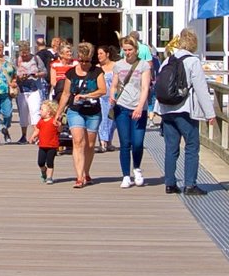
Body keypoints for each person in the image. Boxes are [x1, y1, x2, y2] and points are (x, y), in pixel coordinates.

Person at [152, 31, 214, 194]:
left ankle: (170, 183)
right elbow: (201, 89)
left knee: (171, 146)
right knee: (192, 146)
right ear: (194, 44)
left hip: (167, 110)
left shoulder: (167, 61)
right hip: (185, 109)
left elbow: (160, 85)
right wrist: (210, 113)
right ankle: (190, 184)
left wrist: (157, 109)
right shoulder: (193, 61)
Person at [55, 44, 105, 187]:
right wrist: (58, 113)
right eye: (82, 60)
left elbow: (102, 90)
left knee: (89, 145)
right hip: (75, 110)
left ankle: (86, 172)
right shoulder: (71, 73)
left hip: (93, 111)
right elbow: (66, 94)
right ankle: (79, 176)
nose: (84, 64)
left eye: (87, 61)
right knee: (78, 142)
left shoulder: (97, 72)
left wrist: (86, 95)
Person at [111, 35, 153, 187]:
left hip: (138, 106)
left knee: (137, 142)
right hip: (122, 106)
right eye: (125, 50)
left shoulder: (143, 66)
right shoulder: (118, 65)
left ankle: (137, 167)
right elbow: (114, 85)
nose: (127, 53)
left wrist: (140, 107)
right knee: (125, 143)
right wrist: (112, 96)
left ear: (136, 50)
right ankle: (126, 175)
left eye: (130, 50)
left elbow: (145, 87)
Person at [34, 103, 63, 182]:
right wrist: (33, 136)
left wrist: (60, 125)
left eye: (42, 109)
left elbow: (59, 130)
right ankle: (44, 171)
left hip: (52, 146)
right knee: (40, 162)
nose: (40, 111)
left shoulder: (54, 121)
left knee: (50, 162)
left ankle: (49, 177)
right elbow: (37, 129)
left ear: (48, 112)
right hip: (42, 145)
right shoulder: (41, 121)